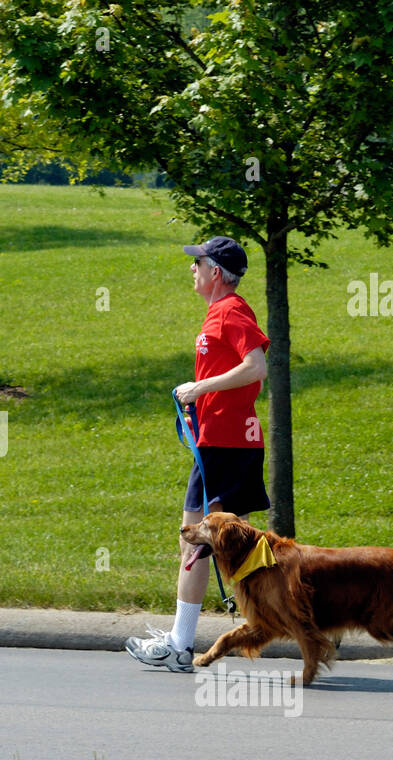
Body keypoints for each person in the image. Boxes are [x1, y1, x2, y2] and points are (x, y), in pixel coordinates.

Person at [125, 236, 270, 672]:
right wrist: (197, 402)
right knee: (243, 548)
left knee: (194, 541)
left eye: (198, 262)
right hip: (226, 441)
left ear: (217, 272)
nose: (192, 268)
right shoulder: (221, 311)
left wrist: (200, 388)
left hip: (224, 446)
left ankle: (179, 644)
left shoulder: (231, 311)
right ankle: (290, 619)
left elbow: (256, 365)